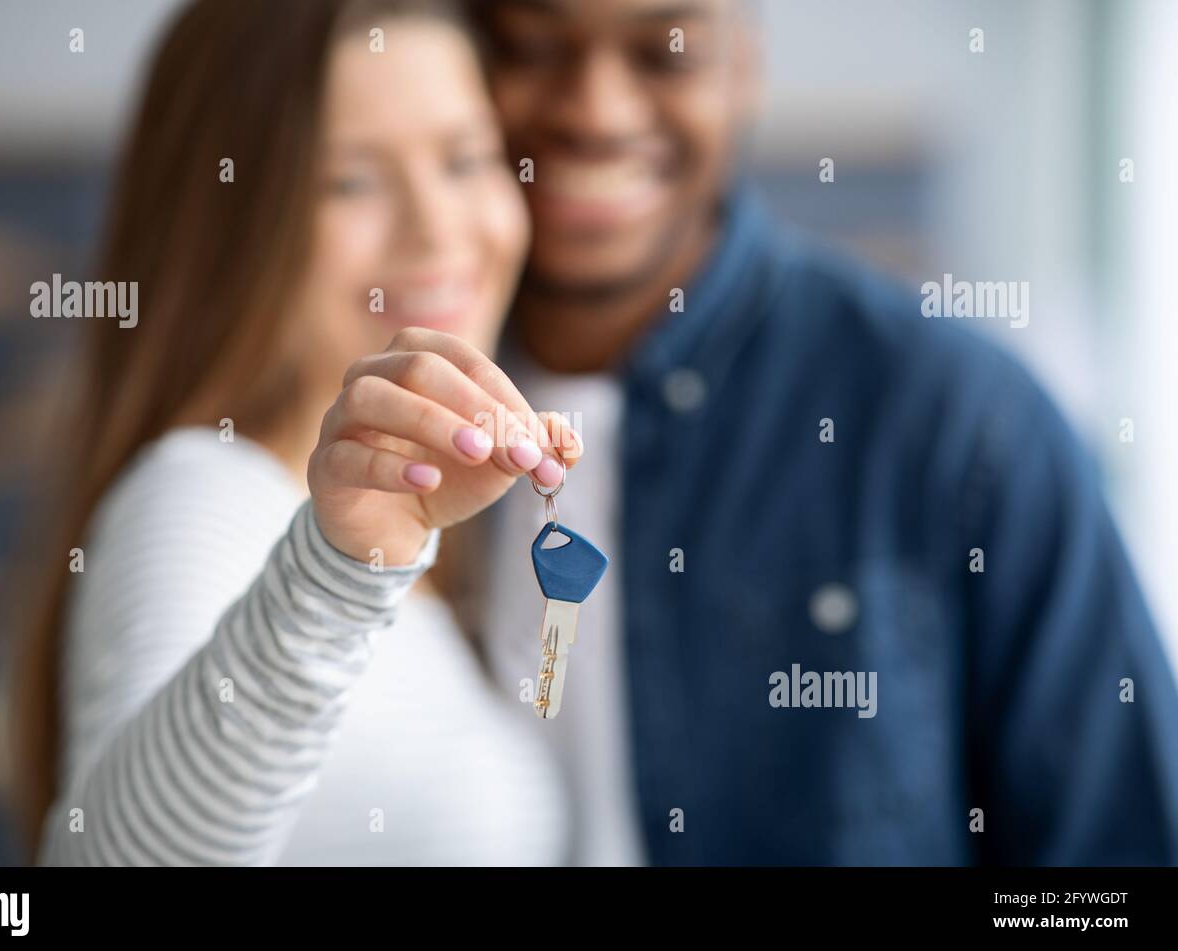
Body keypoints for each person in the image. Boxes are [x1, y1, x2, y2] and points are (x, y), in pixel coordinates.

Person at [471, 0, 1178, 864]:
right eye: (531, 48)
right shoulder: (367, 415)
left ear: (745, 71)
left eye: (666, 52)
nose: (594, 110)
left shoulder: (958, 420)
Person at [11, 0, 585, 865]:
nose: (437, 230)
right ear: (227, 220)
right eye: (350, 180)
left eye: (468, 159)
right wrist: (340, 569)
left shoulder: (425, 530)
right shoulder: (204, 491)